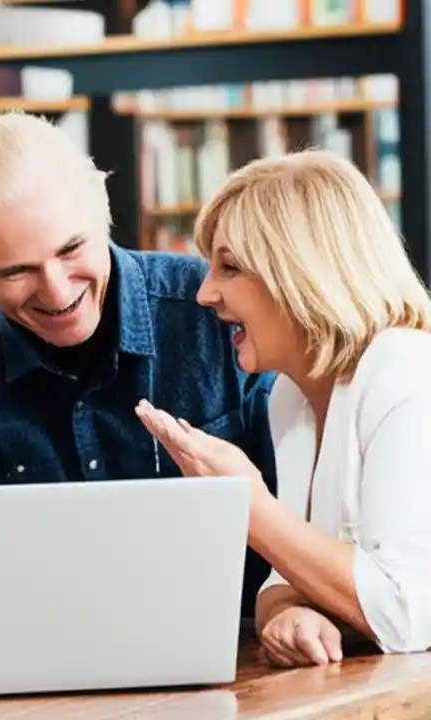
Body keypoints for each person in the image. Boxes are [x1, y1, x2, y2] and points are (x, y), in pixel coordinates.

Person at [0, 111, 278, 663]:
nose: (56, 291)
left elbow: (306, 510)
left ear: (102, 216)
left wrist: (291, 604)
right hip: (36, 667)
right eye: (15, 272)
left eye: (71, 248)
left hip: (246, 654)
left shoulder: (214, 316)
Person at [136, 150, 431, 667]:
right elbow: (283, 578)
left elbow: (407, 611)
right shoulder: (291, 397)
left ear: (301, 273)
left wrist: (247, 502)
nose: (205, 293)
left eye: (230, 267)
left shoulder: (405, 371)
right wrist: (291, 615)